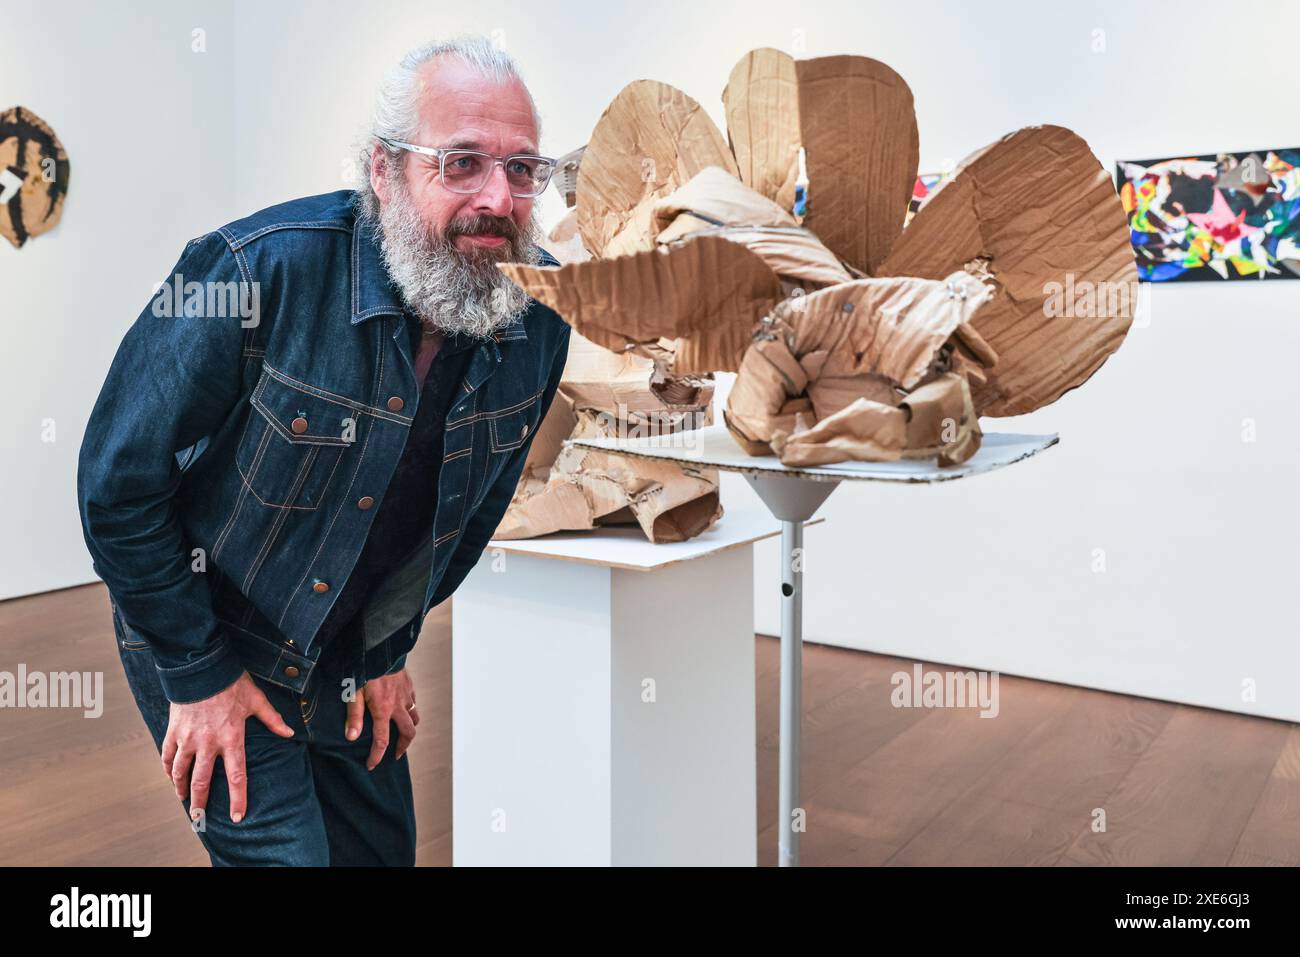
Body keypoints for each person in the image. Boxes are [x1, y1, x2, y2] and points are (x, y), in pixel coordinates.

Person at [75, 34, 570, 866]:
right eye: (461, 164)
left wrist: (385, 650)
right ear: (383, 171)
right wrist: (196, 674)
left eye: (522, 169)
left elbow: (466, 515)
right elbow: (116, 485)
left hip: (349, 644)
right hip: (212, 625)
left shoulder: (538, 318)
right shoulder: (252, 269)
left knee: (381, 853)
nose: (499, 198)